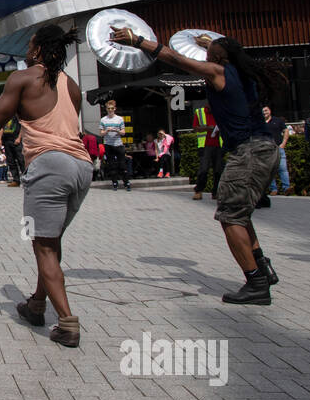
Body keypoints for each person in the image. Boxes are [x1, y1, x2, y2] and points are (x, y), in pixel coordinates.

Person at [111, 28, 285, 305]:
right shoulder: (242, 73)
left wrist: (137, 41)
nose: (206, 51)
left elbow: (176, 59)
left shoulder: (218, 72)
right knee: (240, 214)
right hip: (263, 149)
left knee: (230, 217)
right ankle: (262, 268)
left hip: (249, 152)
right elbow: (222, 51)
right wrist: (211, 44)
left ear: (219, 55)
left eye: (211, 49)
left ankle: (256, 283)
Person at [0, 25, 93, 346]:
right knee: (50, 243)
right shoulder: (73, 86)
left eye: (30, 44)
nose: (26, 49)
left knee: (43, 246)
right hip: (82, 167)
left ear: (39, 49)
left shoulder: (22, 78)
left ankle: (67, 323)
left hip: (50, 166)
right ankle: (36, 305)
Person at [192, 104, 223, 200]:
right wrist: (207, 128)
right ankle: (198, 190)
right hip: (205, 145)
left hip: (218, 145)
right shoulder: (200, 112)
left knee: (218, 170)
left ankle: (215, 192)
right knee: (204, 169)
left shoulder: (220, 111)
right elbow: (195, 128)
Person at [100, 99, 130, 190]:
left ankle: (126, 183)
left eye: (112, 108)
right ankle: (115, 183)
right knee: (111, 165)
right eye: (108, 108)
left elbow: (123, 132)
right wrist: (106, 131)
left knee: (122, 164)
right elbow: (101, 133)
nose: (110, 110)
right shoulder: (103, 120)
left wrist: (117, 130)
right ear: (106, 109)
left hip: (118, 144)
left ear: (115, 109)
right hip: (108, 144)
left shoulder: (119, 119)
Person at [263, 105, 291, 194]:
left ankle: (286, 188)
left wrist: (283, 144)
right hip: (266, 149)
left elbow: (286, 131)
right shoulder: (260, 123)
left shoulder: (277, 121)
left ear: (270, 111)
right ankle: (273, 189)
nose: (264, 112)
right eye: (263, 111)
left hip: (278, 148)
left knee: (282, 168)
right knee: (270, 170)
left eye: (266, 110)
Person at [1, 114, 25, 185]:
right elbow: (1, 128)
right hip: (6, 141)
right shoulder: (5, 116)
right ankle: (16, 180)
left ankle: (26, 179)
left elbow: (23, 126)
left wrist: (19, 138)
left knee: (21, 161)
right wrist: (0, 139)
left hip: (16, 141)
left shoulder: (17, 115)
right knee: (10, 161)